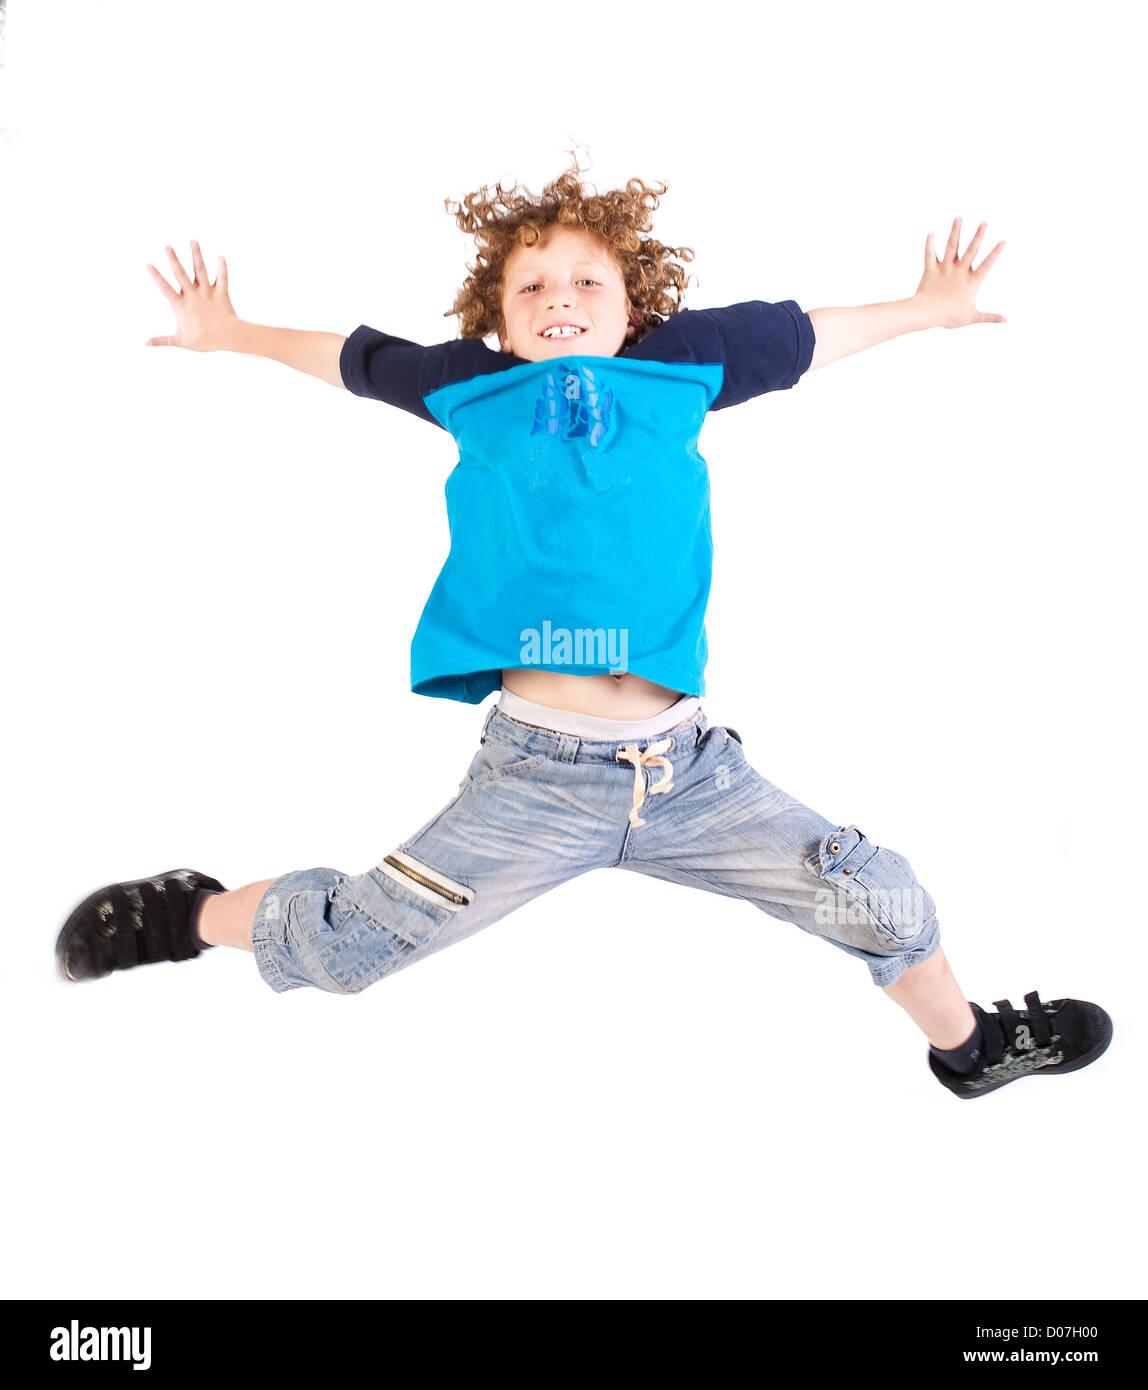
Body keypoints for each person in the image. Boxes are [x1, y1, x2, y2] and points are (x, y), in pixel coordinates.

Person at [56, 161, 1111, 1099]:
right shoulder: (472, 387)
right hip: (533, 782)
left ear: (629, 304)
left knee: (882, 895)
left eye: (585, 281)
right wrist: (228, 331)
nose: (559, 297)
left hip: (689, 774)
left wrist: (926, 308)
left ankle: (972, 1049)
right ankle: (186, 913)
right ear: (499, 319)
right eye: (530, 287)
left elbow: (808, 338)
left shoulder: (684, 364)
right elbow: (349, 356)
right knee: (346, 951)